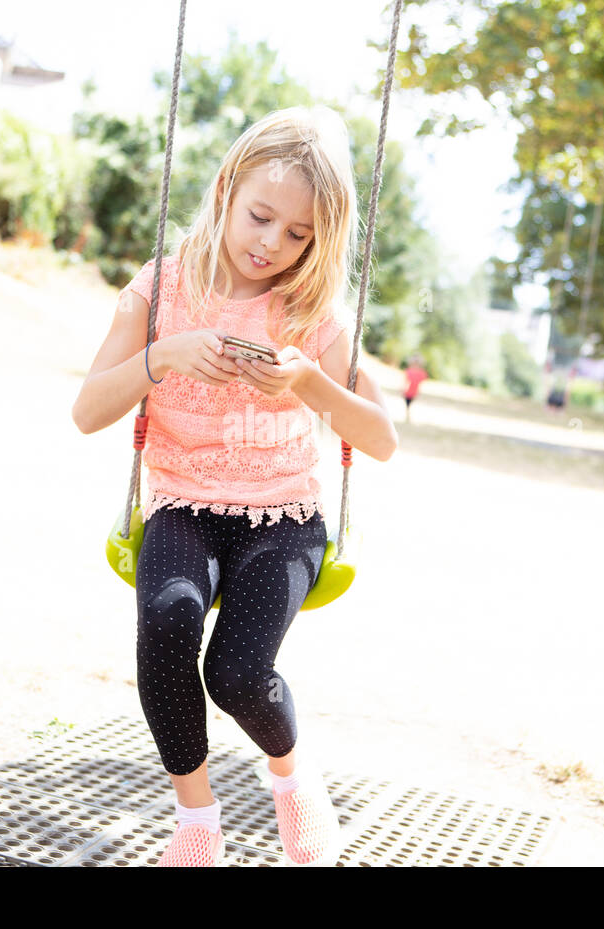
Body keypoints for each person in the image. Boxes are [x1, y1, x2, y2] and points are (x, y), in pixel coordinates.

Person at [71, 106, 397, 866]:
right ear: (225, 190)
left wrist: (312, 380)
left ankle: (292, 777)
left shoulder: (311, 312)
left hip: (284, 517)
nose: (271, 245)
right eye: (261, 216)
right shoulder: (159, 285)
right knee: (169, 623)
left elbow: (380, 438)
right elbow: (88, 410)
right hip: (184, 504)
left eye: (299, 235)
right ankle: (198, 821)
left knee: (239, 674)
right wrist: (167, 355)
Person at [403, 353, 428, 423]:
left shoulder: (421, 373)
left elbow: (421, 383)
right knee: (408, 403)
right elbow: (406, 381)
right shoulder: (409, 371)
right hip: (408, 391)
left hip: (414, 391)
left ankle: (408, 415)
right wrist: (404, 389)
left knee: (410, 403)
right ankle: (408, 414)